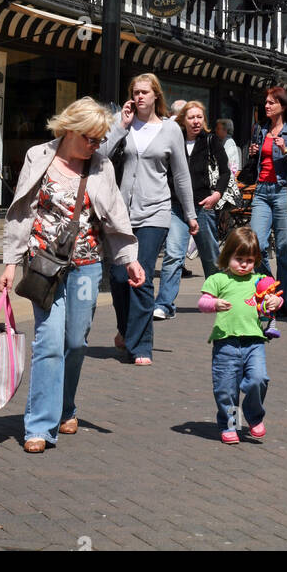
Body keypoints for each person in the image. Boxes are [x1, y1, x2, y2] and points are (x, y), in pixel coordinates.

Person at [0, 97, 144, 451]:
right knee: (48, 341)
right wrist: (10, 261)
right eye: (90, 139)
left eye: (99, 140)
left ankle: (65, 407)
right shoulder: (39, 157)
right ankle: (38, 427)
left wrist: (129, 259)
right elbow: (22, 212)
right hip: (43, 265)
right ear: (69, 130)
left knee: (76, 342)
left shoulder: (101, 166)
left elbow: (115, 215)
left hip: (86, 266)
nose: (95, 146)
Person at [100, 73, 197, 364]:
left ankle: (141, 345)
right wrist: (121, 127)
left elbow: (180, 176)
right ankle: (125, 328)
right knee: (118, 276)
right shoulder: (122, 123)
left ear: (156, 95)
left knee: (140, 275)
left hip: (156, 211)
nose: (139, 96)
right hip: (122, 213)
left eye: (144, 91)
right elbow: (101, 154)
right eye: (135, 91)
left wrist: (191, 215)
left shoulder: (170, 130)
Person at [198, 226, 282, 444]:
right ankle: (231, 425)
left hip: (254, 341)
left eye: (250, 260)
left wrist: (276, 301)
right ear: (228, 257)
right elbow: (202, 302)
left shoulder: (259, 280)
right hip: (226, 342)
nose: (244, 264)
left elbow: (274, 300)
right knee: (227, 388)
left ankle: (254, 416)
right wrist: (214, 303)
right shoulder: (219, 279)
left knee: (259, 379)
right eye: (239, 259)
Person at [154, 101, 230, 320]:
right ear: (183, 120)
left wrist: (216, 194)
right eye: (191, 117)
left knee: (210, 255)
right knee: (173, 255)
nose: (196, 121)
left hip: (202, 205)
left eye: (200, 117)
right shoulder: (173, 140)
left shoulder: (210, 140)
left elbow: (225, 172)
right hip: (177, 206)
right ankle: (165, 304)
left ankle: (218, 297)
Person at [247, 87, 287, 319]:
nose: (267, 106)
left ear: (283, 105)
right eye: (266, 102)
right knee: (256, 246)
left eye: (272, 102)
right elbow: (258, 161)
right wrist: (253, 153)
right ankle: (271, 287)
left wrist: (285, 150)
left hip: (283, 191)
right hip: (262, 191)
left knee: (284, 249)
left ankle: (284, 303)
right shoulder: (260, 129)